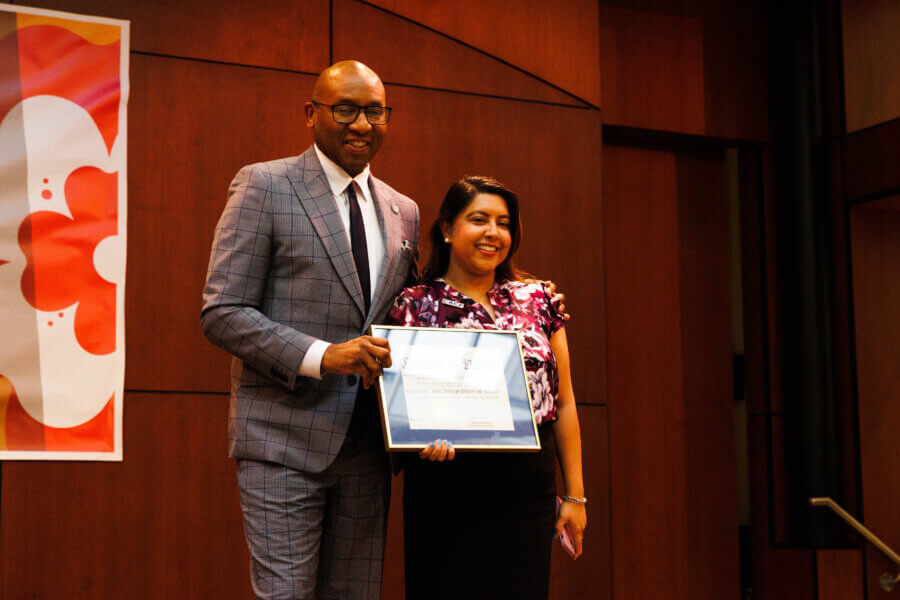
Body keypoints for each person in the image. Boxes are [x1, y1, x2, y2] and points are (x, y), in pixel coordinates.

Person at [201, 61, 419, 600]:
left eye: (375, 111)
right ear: (311, 113)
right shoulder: (265, 185)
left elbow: (413, 316)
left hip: (368, 448)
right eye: (345, 109)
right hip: (282, 438)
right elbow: (222, 311)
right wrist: (325, 356)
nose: (362, 124)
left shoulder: (404, 210)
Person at [388, 176, 587, 600]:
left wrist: (575, 497)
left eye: (503, 223)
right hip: (446, 484)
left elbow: (565, 403)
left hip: (527, 488)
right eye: (478, 219)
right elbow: (402, 408)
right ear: (447, 228)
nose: (493, 233)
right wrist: (419, 440)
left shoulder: (538, 300)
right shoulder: (414, 305)